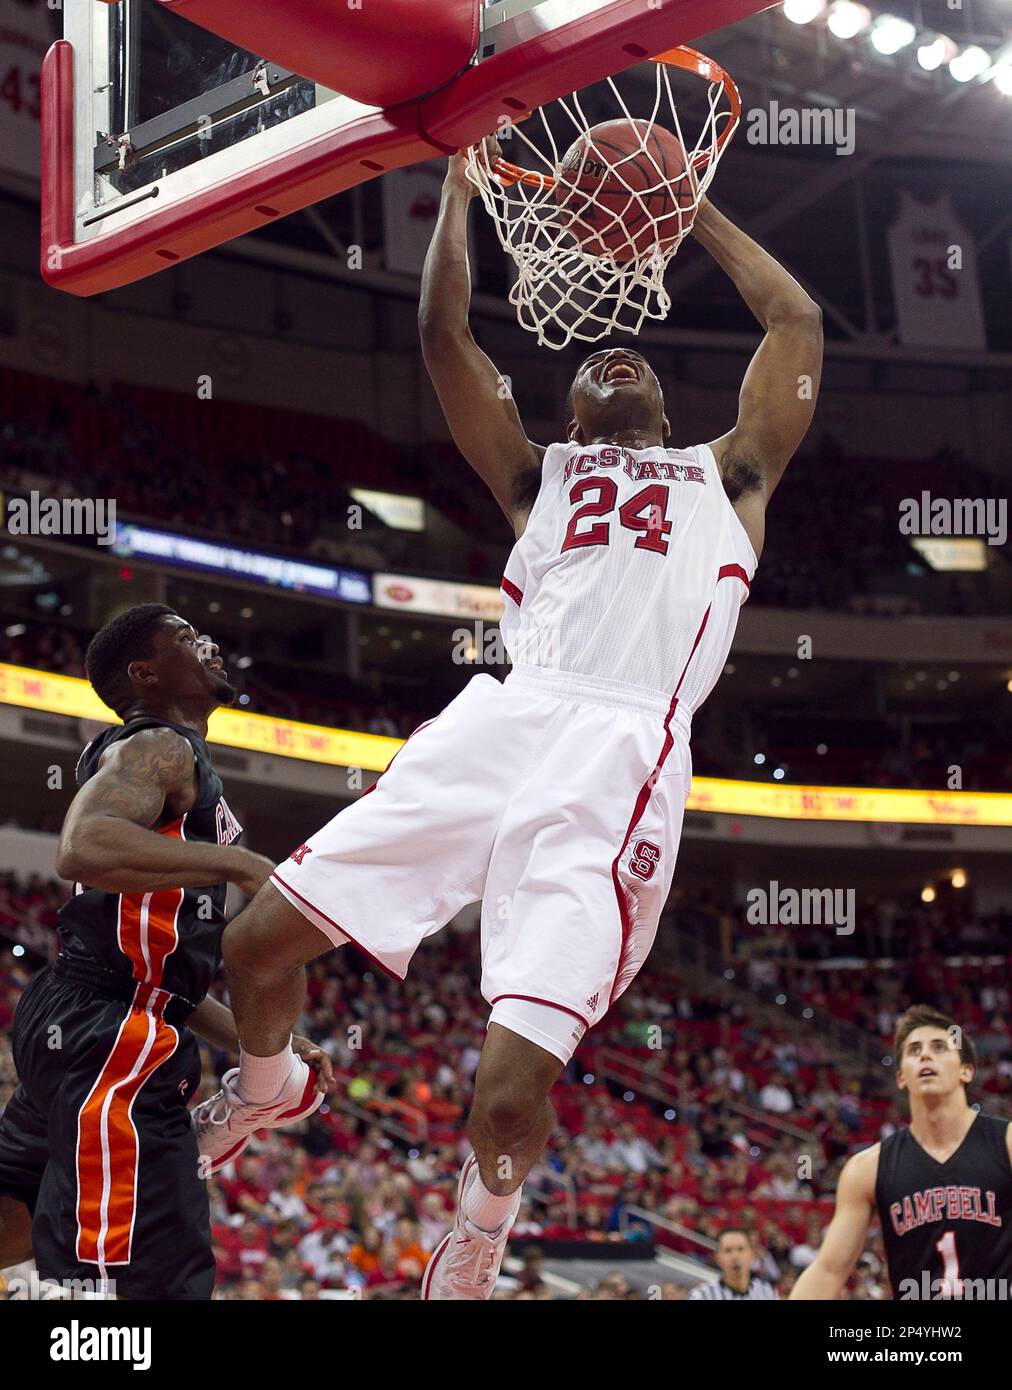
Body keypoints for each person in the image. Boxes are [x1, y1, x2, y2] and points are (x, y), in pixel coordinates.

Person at [192, 142, 822, 1301]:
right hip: (504, 718)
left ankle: (481, 1227)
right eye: (593, 363)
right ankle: (269, 1085)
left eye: (634, 357)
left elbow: (796, 325)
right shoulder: (540, 479)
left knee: (506, 1098)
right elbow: (446, 341)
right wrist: (456, 195)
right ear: (572, 409)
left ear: (668, 403)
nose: (614, 358)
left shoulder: (729, 473)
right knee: (251, 944)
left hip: (620, 754)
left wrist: (693, 211)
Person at [0, 604, 329, 1298]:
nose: (207, 642)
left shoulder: (175, 760)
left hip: (91, 1017)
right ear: (145, 674)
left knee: (19, 1213)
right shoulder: (159, 748)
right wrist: (240, 866)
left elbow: (162, 985)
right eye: (184, 637)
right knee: (137, 1280)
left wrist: (265, 1038)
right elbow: (82, 845)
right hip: (110, 1037)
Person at [791, 1005, 1012, 1300]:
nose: (925, 1055)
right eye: (914, 1050)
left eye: (939, 1047)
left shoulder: (1007, 1143)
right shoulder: (867, 1168)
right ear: (901, 1078)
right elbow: (828, 1270)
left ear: (966, 1071)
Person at [688, 1227, 779, 1300]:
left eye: (741, 1249)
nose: (735, 1256)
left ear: (752, 1254)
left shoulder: (767, 1292)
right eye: (728, 1250)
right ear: (718, 1257)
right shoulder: (702, 1295)